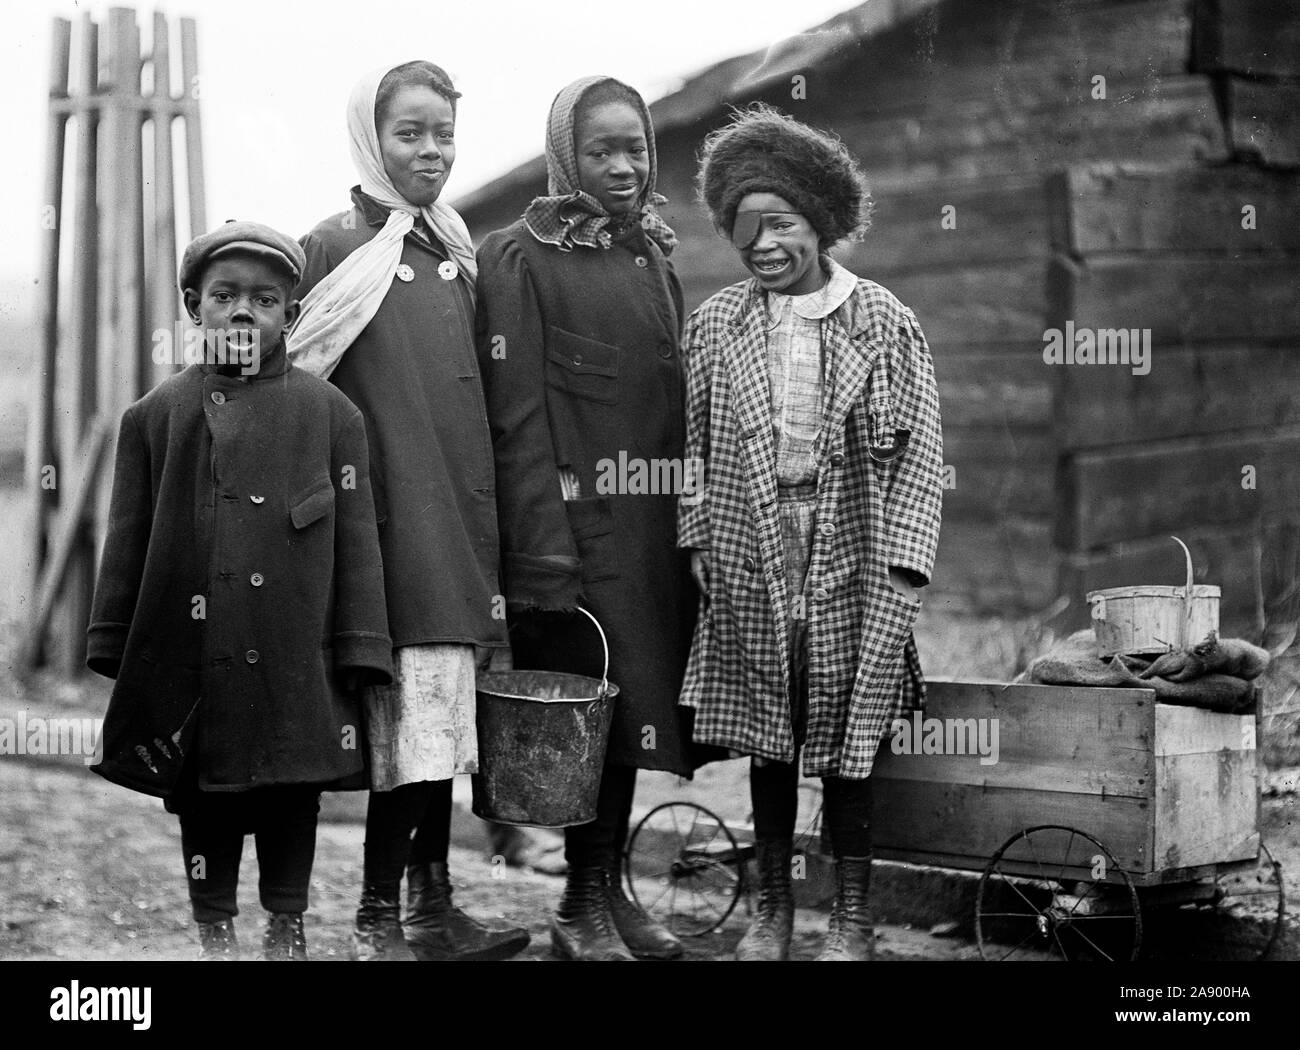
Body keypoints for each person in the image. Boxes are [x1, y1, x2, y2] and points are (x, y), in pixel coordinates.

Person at [87, 221, 393, 960]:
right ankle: (214, 928)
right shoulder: (156, 417)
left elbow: (357, 546)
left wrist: (360, 647)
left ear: (291, 312)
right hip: (197, 653)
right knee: (206, 796)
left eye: (265, 298)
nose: (244, 312)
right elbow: (128, 540)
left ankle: (286, 926)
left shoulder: (329, 416)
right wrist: (114, 644)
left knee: (294, 792)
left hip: (297, 652)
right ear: (195, 307)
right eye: (225, 297)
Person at [680, 104, 944, 961]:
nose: (762, 244)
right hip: (749, 542)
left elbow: (919, 460)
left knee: (845, 729)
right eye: (745, 227)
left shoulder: (884, 323)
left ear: (821, 224)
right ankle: (771, 911)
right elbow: (690, 447)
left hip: (855, 550)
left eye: (782, 223)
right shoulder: (717, 324)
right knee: (768, 731)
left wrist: (903, 568)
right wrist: (696, 544)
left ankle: (854, 917)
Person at [291, 60, 528, 962]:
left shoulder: (454, 252)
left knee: (439, 731)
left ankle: (432, 908)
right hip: (388, 531)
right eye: (410, 134)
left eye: (444, 134)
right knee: (409, 730)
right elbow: (294, 391)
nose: (431, 152)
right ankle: (378, 922)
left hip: (460, 526)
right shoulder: (332, 250)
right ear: (369, 138)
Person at [475, 76, 701, 961]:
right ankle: (577, 906)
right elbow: (516, 418)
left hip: (648, 540)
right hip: (572, 541)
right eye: (602, 150)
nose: (623, 166)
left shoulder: (652, 259)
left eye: (636, 148)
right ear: (567, 153)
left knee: (637, 711)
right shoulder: (520, 257)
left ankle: (606, 894)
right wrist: (540, 553)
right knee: (585, 726)